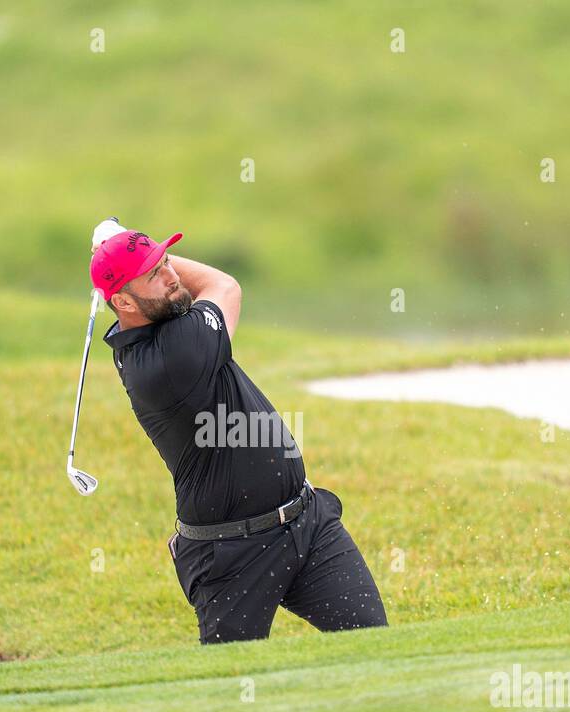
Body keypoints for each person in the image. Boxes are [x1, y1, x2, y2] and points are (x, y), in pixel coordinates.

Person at [89, 220, 387, 644]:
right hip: (231, 555)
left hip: (308, 523)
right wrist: (122, 245)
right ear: (122, 300)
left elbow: (171, 289)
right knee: (231, 690)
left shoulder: (149, 330)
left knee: (373, 646)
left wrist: (132, 254)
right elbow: (223, 285)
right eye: (155, 274)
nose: (172, 277)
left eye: (167, 261)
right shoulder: (172, 358)